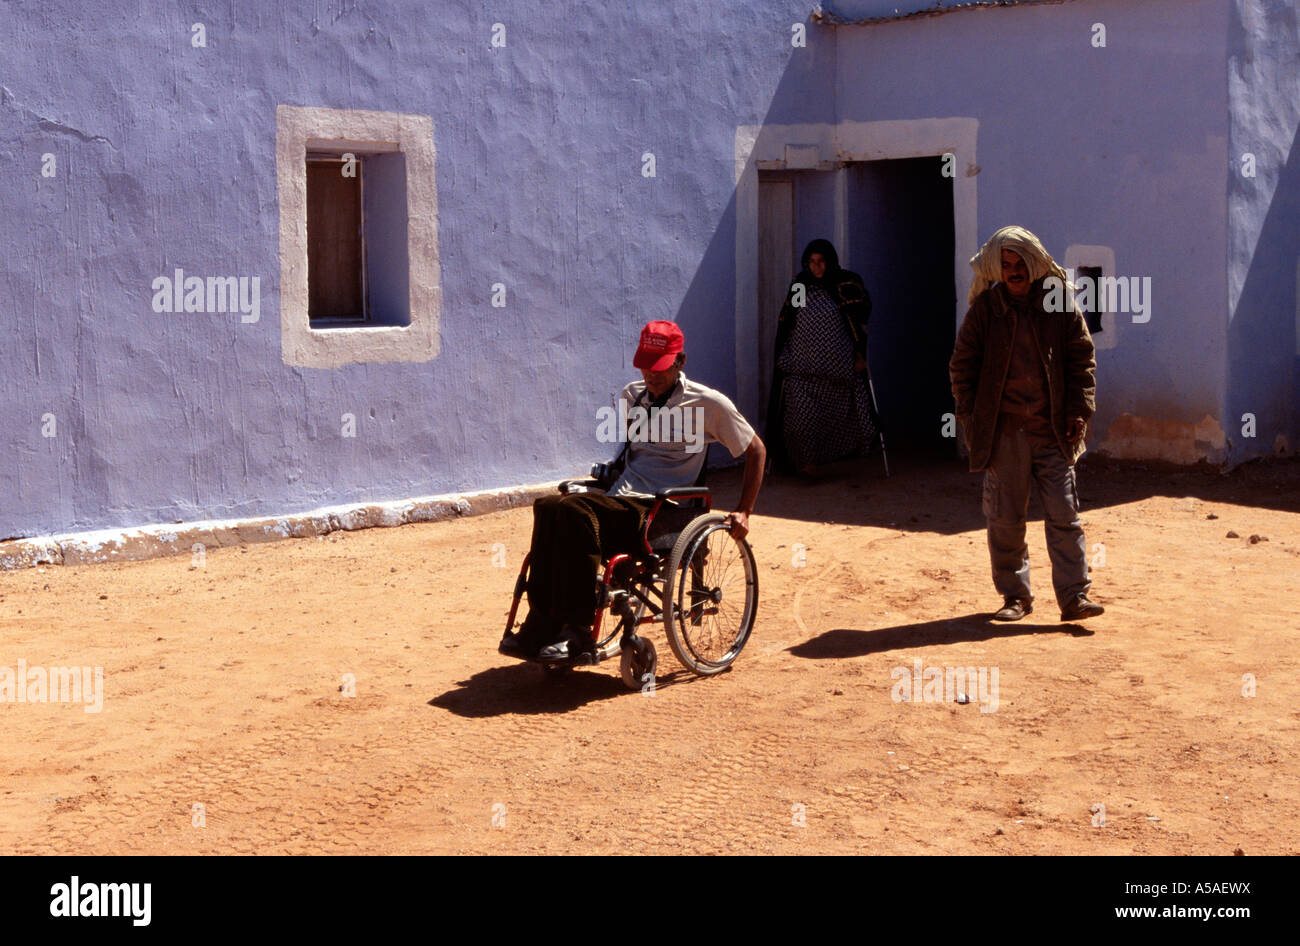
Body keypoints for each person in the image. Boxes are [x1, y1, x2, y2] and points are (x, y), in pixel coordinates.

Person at [500, 320, 766, 660]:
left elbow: (756, 449)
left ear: (680, 361)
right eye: (646, 367)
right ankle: (540, 624)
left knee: (574, 512)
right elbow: (631, 454)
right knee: (550, 506)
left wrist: (744, 510)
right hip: (622, 498)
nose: (651, 375)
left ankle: (577, 630)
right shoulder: (633, 396)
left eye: (660, 367)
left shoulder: (708, 404)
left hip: (662, 507)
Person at [949, 225, 1105, 622]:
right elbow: (961, 366)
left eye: (1020, 263)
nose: (1014, 271)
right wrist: (971, 416)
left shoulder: (1058, 304)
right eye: (1006, 265)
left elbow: (1082, 359)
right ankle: (1015, 597)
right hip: (1004, 435)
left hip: (1053, 431)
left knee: (1064, 516)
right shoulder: (986, 311)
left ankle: (1074, 597)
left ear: (1033, 265)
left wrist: (1079, 411)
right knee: (1005, 520)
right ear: (998, 269)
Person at [766, 238, 876, 477]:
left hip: (839, 374)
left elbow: (858, 323)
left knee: (839, 423)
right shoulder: (800, 286)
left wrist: (859, 355)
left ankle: (831, 461)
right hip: (803, 372)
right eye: (812, 262)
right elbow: (789, 320)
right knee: (802, 417)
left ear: (830, 261)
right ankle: (807, 464)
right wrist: (784, 356)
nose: (816, 267)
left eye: (821, 261)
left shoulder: (846, 284)